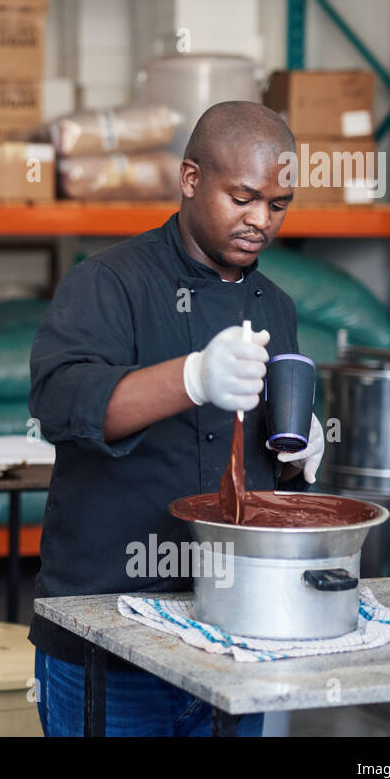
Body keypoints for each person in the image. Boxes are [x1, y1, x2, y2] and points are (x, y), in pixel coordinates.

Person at [28, 101, 326, 737]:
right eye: (242, 197)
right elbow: (62, 403)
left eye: (278, 205)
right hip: (110, 631)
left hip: (233, 632)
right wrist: (191, 378)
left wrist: (296, 456)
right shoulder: (108, 281)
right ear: (191, 179)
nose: (260, 221)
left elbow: (265, 471)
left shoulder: (275, 306)